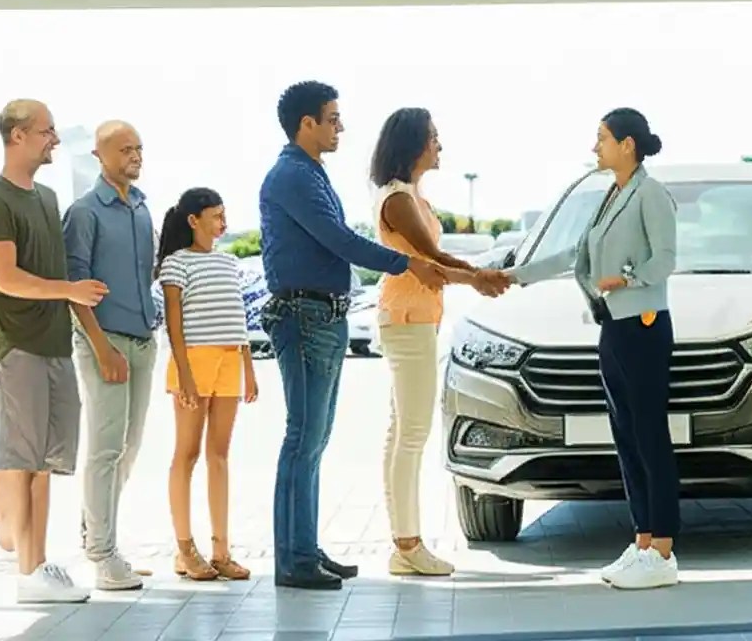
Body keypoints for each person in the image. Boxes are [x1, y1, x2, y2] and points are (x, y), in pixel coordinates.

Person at [259, 81, 447, 590]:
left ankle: (303, 549)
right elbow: (339, 240)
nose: (340, 127)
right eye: (332, 118)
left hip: (321, 315)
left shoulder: (308, 173)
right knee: (303, 438)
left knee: (313, 439)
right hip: (304, 316)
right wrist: (407, 262)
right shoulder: (293, 176)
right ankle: (294, 560)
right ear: (307, 124)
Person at [503, 108, 679, 590]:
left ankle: (663, 550)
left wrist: (627, 279)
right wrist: (512, 277)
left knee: (650, 438)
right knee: (626, 439)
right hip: (614, 329)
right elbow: (572, 256)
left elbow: (665, 258)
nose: (594, 147)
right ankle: (643, 541)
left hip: (643, 327)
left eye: (601, 138)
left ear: (628, 144)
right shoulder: (611, 195)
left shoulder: (651, 193)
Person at [0, 99, 105, 605]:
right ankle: (29, 572)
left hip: (53, 342)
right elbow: (7, 279)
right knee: (23, 459)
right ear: (17, 135)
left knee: (42, 460)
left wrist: (76, 306)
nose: (55, 139)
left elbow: (59, 275)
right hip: (15, 346)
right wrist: (70, 292)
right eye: (46, 131)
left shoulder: (45, 197)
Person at [368, 108, 510, 576]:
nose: (439, 145)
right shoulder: (398, 198)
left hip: (413, 317)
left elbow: (432, 261)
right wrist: (478, 278)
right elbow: (432, 258)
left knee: (401, 433)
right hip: (407, 318)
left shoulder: (408, 196)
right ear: (412, 143)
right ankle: (408, 545)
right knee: (411, 434)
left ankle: (403, 543)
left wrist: (475, 277)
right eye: (432, 137)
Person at [61, 120, 158, 591]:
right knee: (104, 450)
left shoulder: (142, 208)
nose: (135, 156)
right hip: (106, 342)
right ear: (100, 155)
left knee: (130, 446)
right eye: (125, 149)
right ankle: (102, 555)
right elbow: (74, 288)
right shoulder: (84, 212)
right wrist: (102, 348)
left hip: (142, 340)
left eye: (139, 148)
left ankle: (100, 536)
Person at [157, 187, 257, 582]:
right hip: (193, 362)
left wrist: (248, 367)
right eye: (215, 216)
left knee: (220, 455)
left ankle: (221, 550)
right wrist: (184, 374)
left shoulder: (230, 262)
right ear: (193, 220)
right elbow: (174, 325)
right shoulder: (176, 265)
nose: (223, 223)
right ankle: (184, 549)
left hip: (230, 362)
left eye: (224, 214)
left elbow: (239, 319)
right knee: (186, 454)